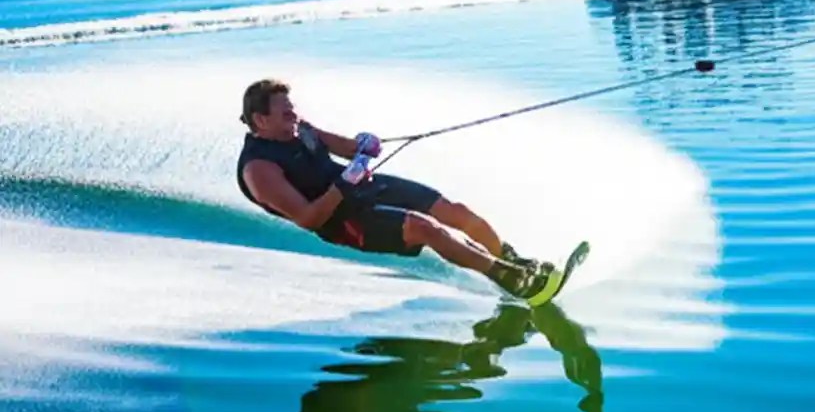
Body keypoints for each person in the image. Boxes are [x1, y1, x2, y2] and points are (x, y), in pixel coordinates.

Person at [234, 78, 566, 305]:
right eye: (286, 112)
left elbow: (349, 149)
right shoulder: (259, 169)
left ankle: (511, 258)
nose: (295, 116)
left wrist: (365, 144)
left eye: (294, 109)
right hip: (342, 220)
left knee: (454, 210)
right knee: (424, 228)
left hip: (362, 186)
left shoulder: (299, 128)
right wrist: (343, 184)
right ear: (260, 120)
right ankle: (509, 279)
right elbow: (308, 218)